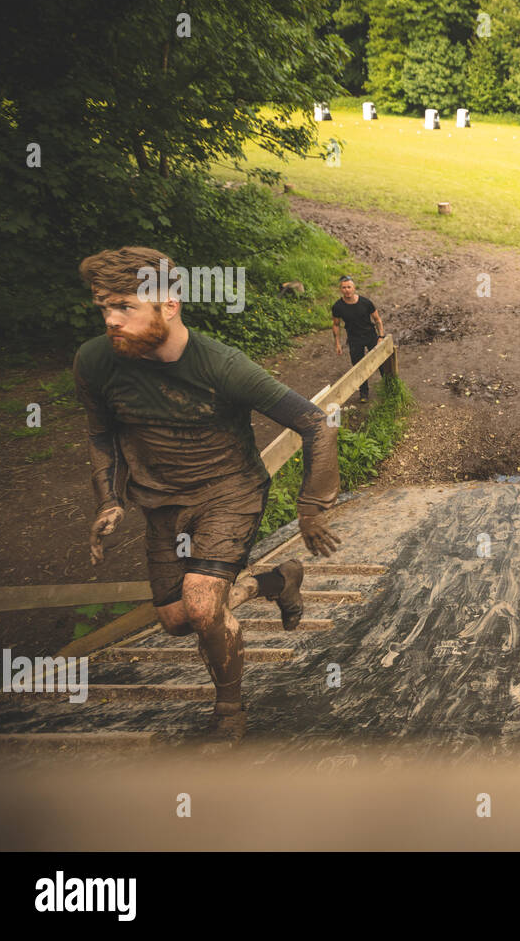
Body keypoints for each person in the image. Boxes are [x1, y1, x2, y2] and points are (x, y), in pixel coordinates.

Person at [75, 246, 342, 740]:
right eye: (104, 308)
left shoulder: (222, 366)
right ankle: (276, 583)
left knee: (201, 607)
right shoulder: (95, 361)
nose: (110, 320)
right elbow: (101, 434)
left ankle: (229, 714)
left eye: (124, 307)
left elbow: (316, 423)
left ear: (168, 305)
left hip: (228, 491)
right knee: (177, 619)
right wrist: (109, 500)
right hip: (161, 502)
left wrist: (312, 507)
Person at [331, 276, 386, 402]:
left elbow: (377, 320)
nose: (347, 290)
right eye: (344, 287)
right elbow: (336, 325)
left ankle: (389, 386)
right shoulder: (338, 307)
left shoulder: (365, 302)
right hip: (354, 339)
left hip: (370, 336)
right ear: (340, 289)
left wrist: (381, 336)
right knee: (358, 366)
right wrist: (338, 344)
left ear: (354, 288)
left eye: (349, 287)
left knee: (381, 363)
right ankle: (364, 393)